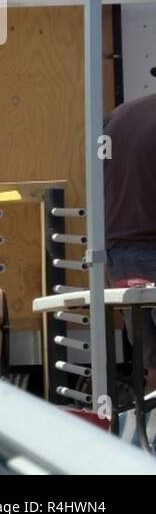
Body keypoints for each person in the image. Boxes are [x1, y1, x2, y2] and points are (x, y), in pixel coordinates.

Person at [103, 92, 156, 395]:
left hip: (119, 256)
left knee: (152, 362)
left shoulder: (118, 117)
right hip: (151, 246)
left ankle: (148, 434)